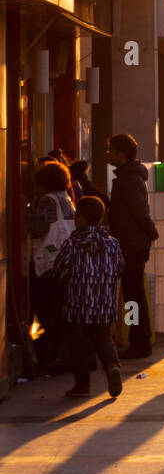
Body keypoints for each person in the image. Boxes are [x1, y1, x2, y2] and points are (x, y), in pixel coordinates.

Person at [52, 196, 124, 400]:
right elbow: (120, 269)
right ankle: (112, 368)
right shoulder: (112, 244)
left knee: (79, 345)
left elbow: (60, 271)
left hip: (78, 305)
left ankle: (82, 385)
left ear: (81, 219)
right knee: (103, 338)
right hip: (104, 305)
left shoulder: (72, 245)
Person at [106, 134, 159, 361]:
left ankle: (138, 341)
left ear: (122, 154)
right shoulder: (128, 177)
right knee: (132, 295)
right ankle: (137, 339)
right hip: (130, 244)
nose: (107, 153)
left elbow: (139, 212)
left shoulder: (129, 180)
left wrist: (151, 232)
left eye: (111, 150)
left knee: (133, 296)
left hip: (131, 245)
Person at [27, 159, 76, 372]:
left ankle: (58, 356)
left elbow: (38, 228)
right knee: (62, 310)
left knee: (48, 309)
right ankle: (65, 354)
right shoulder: (65, 198)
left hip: (49, 264)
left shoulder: (47, 200)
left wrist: (24, 216)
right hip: (66, 260)